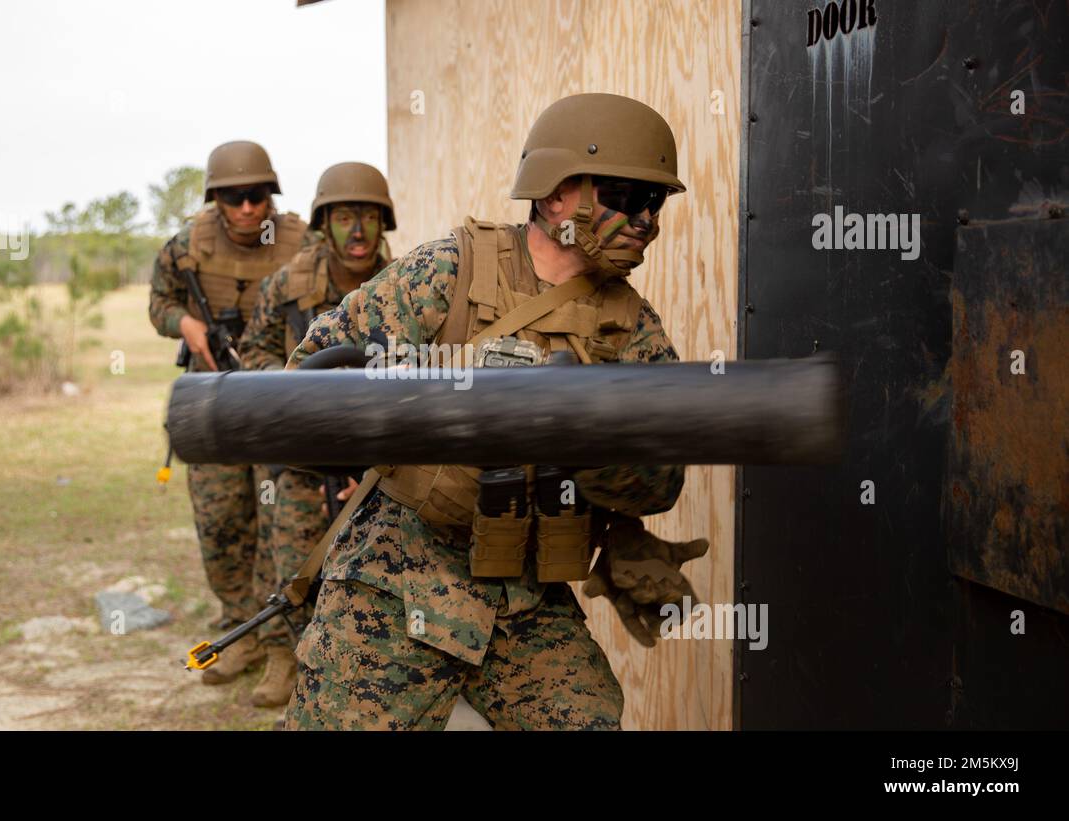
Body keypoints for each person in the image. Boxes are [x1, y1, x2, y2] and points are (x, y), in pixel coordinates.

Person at [282, 93, 708, 730]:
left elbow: (660, 482)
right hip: (397, 580)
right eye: (625, 195)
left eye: (655, 202)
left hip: (524, 597)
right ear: (555, 193)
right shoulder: (450, 271)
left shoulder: (629, 328)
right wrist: (446, 398)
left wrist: (587, 440)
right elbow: (307, 386)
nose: (644, 220)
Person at [236, 161, 397, 707]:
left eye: (369, 218)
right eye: (345, 217)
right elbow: (253, 349)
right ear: (323, 224)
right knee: (294, 553)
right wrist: (290, 390)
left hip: (382, 458)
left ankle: (360, 665)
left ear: (385, 222)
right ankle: (285, 654)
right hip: (305, 453)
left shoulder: (409, 286)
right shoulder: (290, 284)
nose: (358, 232)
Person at [148, 140, 308, 685]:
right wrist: (186, 327)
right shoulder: (186, 246)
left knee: (281, 527)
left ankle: (282, 647)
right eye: (234, 198)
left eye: (256, 196)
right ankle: (238, 630)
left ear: (271, 196)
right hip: (213, 400)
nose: (246, 208)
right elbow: (159, 303)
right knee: (219, 523)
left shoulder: (299, 242)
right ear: (216, 199)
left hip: (274, 400)